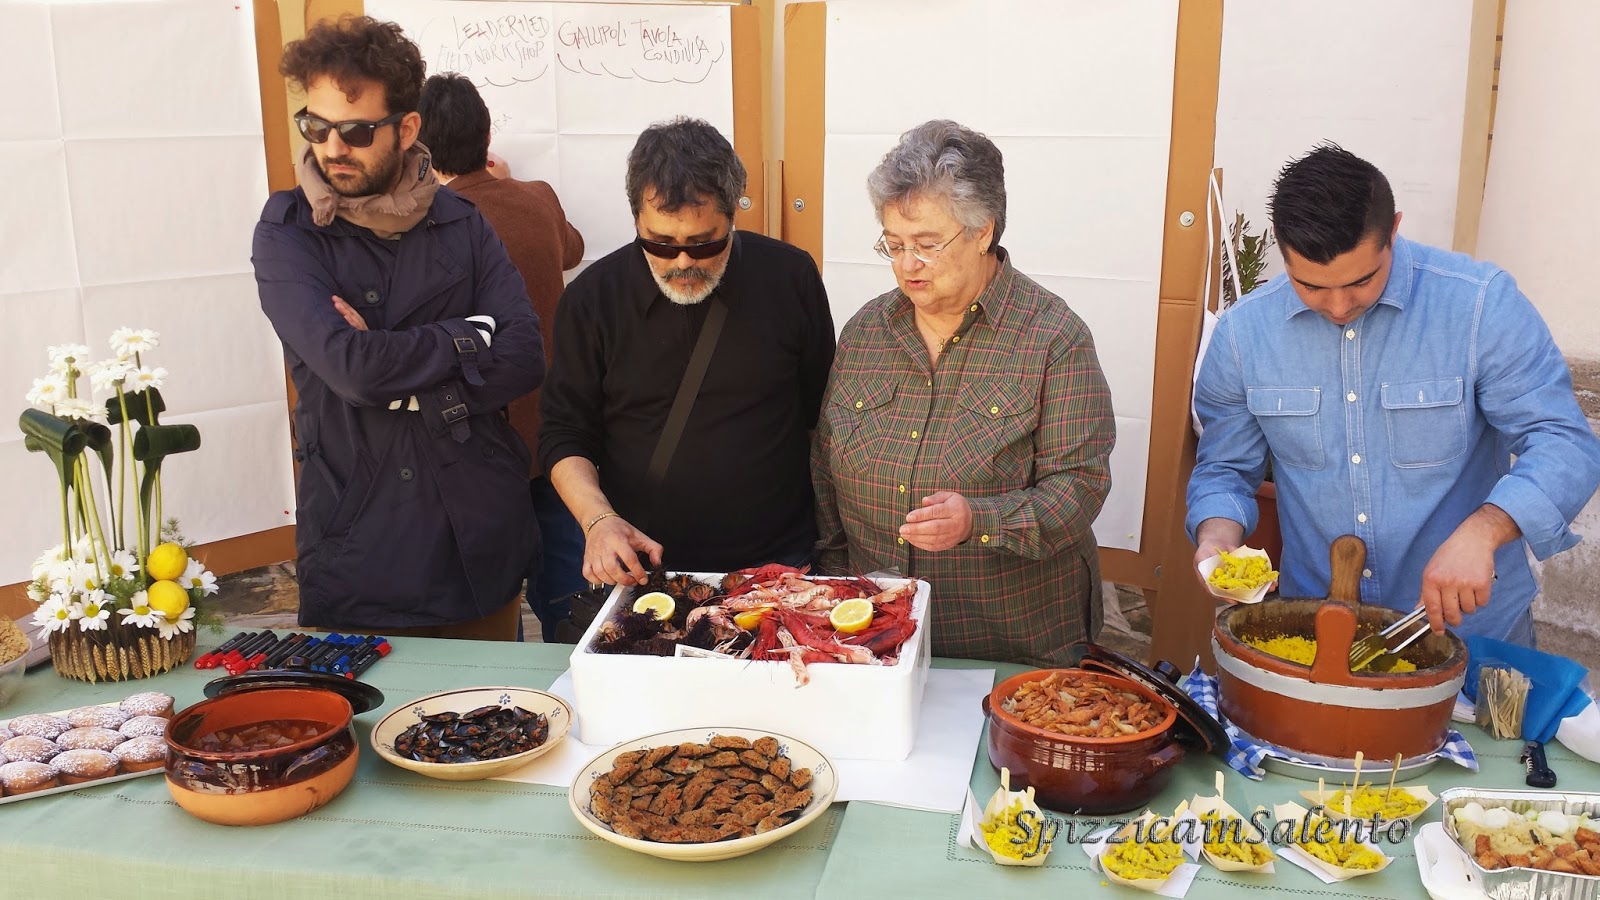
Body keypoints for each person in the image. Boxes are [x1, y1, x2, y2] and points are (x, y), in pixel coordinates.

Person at [1188, 143, 1600, 645]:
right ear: (1282, 246)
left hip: (1472, 631)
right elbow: (1225, 468)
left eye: (1361, 280)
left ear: (1395, 229)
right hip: (1317, 628)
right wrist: (1216, 536)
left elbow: (1562, 440)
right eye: (1311, 287)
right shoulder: (1242, 335)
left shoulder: (1478, 305)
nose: (1339, 305)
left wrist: (1488, 529)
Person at [253, 17, 545, 640]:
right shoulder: (288, 233)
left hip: (476, 543)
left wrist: (394, 369)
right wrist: (469, 336)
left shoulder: (463, 220)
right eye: (317, 125)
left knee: (498, 724)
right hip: (362, 547)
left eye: (357, 131)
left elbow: (524, 354)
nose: (333, 147)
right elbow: (351, 369)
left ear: (406, 127)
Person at [811, 120, 1116, 667]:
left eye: (927, 244)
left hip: (1010, 643)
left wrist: (981, 519)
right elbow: (824, 461)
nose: (907, 264)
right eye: (894, 244)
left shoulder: (1052, 338)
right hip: (878, 637)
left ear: (983, 232)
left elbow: (1081, 485)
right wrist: (837, 581)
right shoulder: (866, 332)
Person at [539, 117, 836, 588]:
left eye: (704, 244)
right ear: (636, 219)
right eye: (659, 243)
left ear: (734, 217)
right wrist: (598, 523)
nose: (682, 263)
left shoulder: (789, 277)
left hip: (777, 561)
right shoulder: (593, 300)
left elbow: (822, 410)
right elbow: (563, 433)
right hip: (644, 565)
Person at [418, 73, 587, 641]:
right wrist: (508, 185)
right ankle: (578, 662)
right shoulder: (537, 199)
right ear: (486, 137)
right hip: (555, 426)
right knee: (569, 580)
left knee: (491, 592)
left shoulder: (428, 225)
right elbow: (573, 248)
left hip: (479, 435)